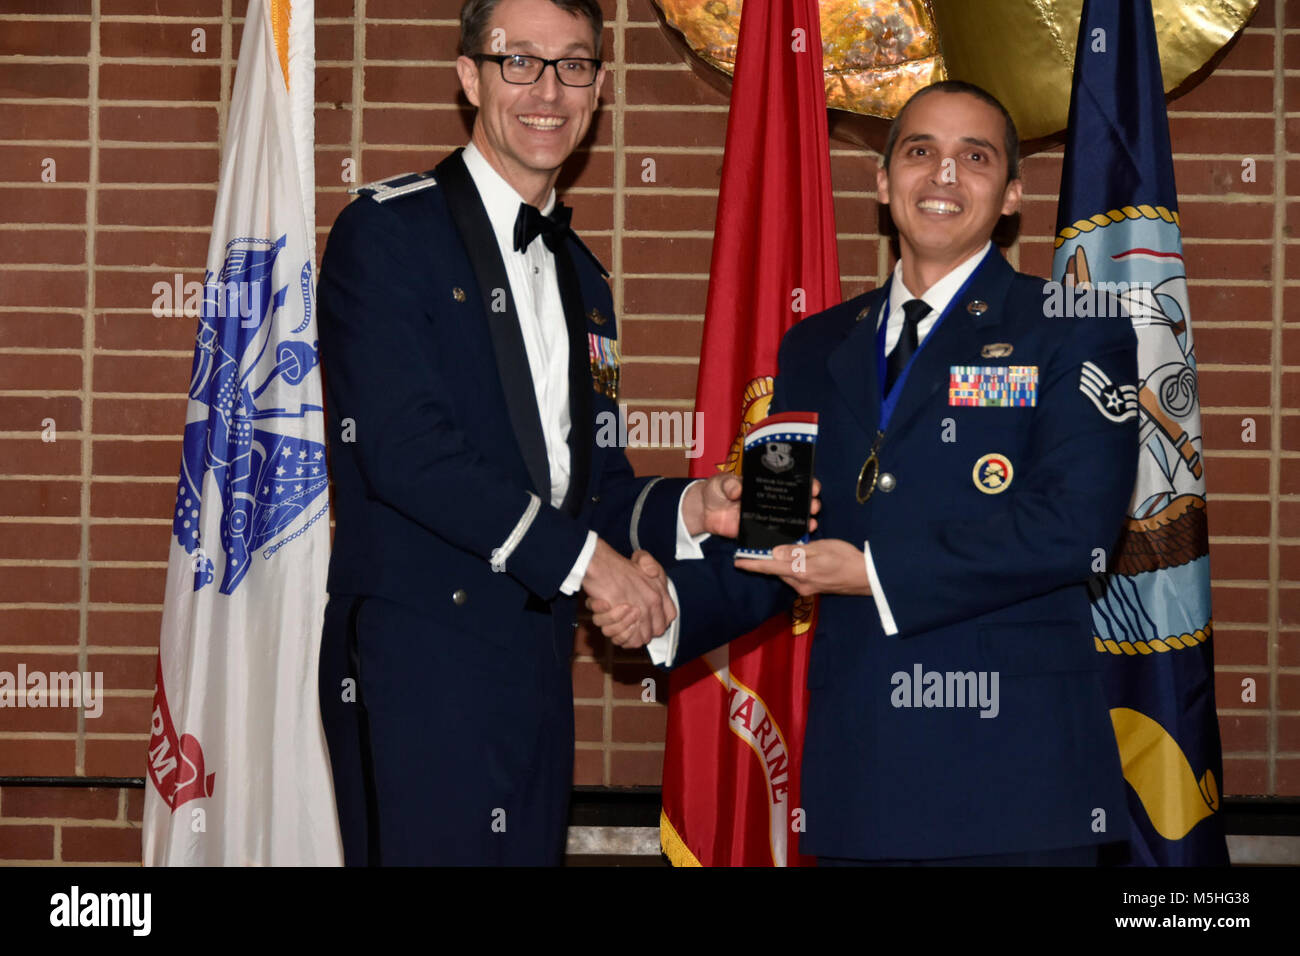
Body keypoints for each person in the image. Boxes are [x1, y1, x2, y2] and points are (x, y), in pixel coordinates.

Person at [595, 81, 1141, 865]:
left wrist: (872, 572)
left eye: (975, 158)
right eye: (920, 151)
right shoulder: (816, 346)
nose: (944, 176)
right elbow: (780, 535)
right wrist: (668, 607)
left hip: (1017, 783)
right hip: (860, 779)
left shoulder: (1072, 328)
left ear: (1013, 195)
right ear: (884, 183)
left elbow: (1074, 529)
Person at [315, 0, 737, 866]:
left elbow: (597, 484)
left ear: (599, 90)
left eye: (574, 65)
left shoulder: (586, 280)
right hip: (417, 662)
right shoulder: (388, 233)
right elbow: (405, 452)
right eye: (520, 62)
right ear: (469, 76)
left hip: (538, 664)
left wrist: (695, 507)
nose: (548, 90)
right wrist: (593, 567)